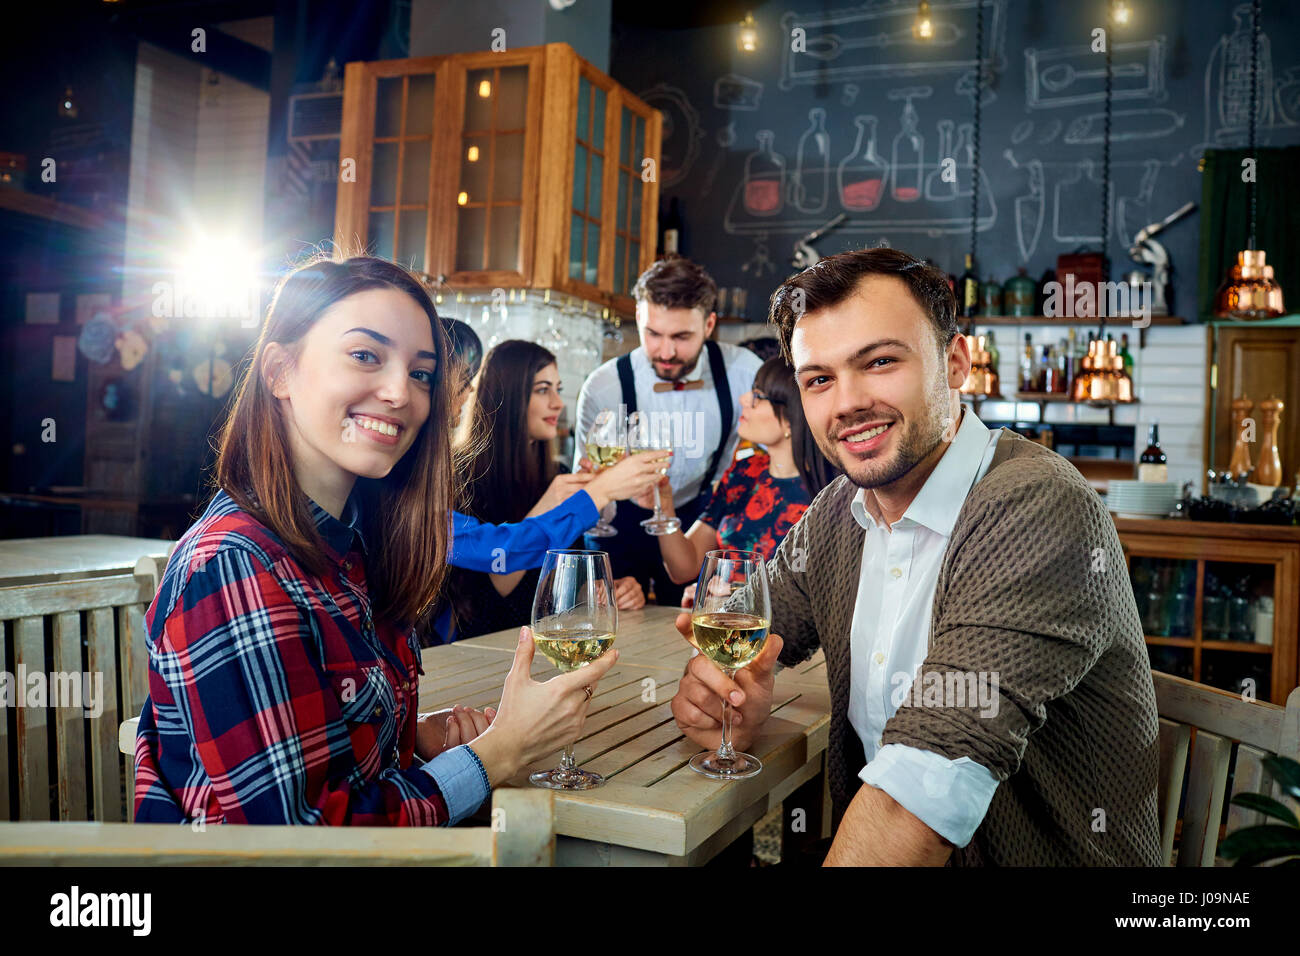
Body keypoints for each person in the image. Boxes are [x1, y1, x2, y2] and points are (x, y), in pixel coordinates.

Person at [670, 247, 1162, 865]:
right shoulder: (840, 511)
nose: (845, 403)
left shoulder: (1038, 506)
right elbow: (746, 627)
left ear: (955, 363)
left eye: (878, 361)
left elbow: (919, 794)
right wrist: (724, 691)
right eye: (819, 379)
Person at [133, 255, 619, 825]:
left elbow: (328, 743)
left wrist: (409, 742)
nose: (399, 392)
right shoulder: (235, 566)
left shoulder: (360, 541)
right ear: (280, 371)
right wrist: (496, 753)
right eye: (365, 355)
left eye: (421, 373)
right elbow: (305, 841)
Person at [424, 322, 662, 644]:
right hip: (485, 652)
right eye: (542, 389)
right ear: (506, 397)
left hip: (553, 647)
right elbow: (500, 579)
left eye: (558, 389)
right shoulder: (459, 476)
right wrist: (590, 494)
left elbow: (571, 580)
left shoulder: (558, 472)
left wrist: (608, 589)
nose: (558, 403)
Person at [572, 256, 762, 606]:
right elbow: (588, 488)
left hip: (696, 523)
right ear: (640, 320)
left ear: (709, 325)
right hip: (621, 528)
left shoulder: (743, 373)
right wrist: (606, 577)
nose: (666, 351)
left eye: (681, 336)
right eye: (653, 334)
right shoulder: (605, 386)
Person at [640, 356, 838, 590]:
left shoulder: (832, 492)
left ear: (790, 418)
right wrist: (664, 504)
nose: (744, 400)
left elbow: (824, 594)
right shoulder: (744, 473)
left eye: (757, 396)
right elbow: (684, 568)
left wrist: (735, 596)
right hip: (725, 624)